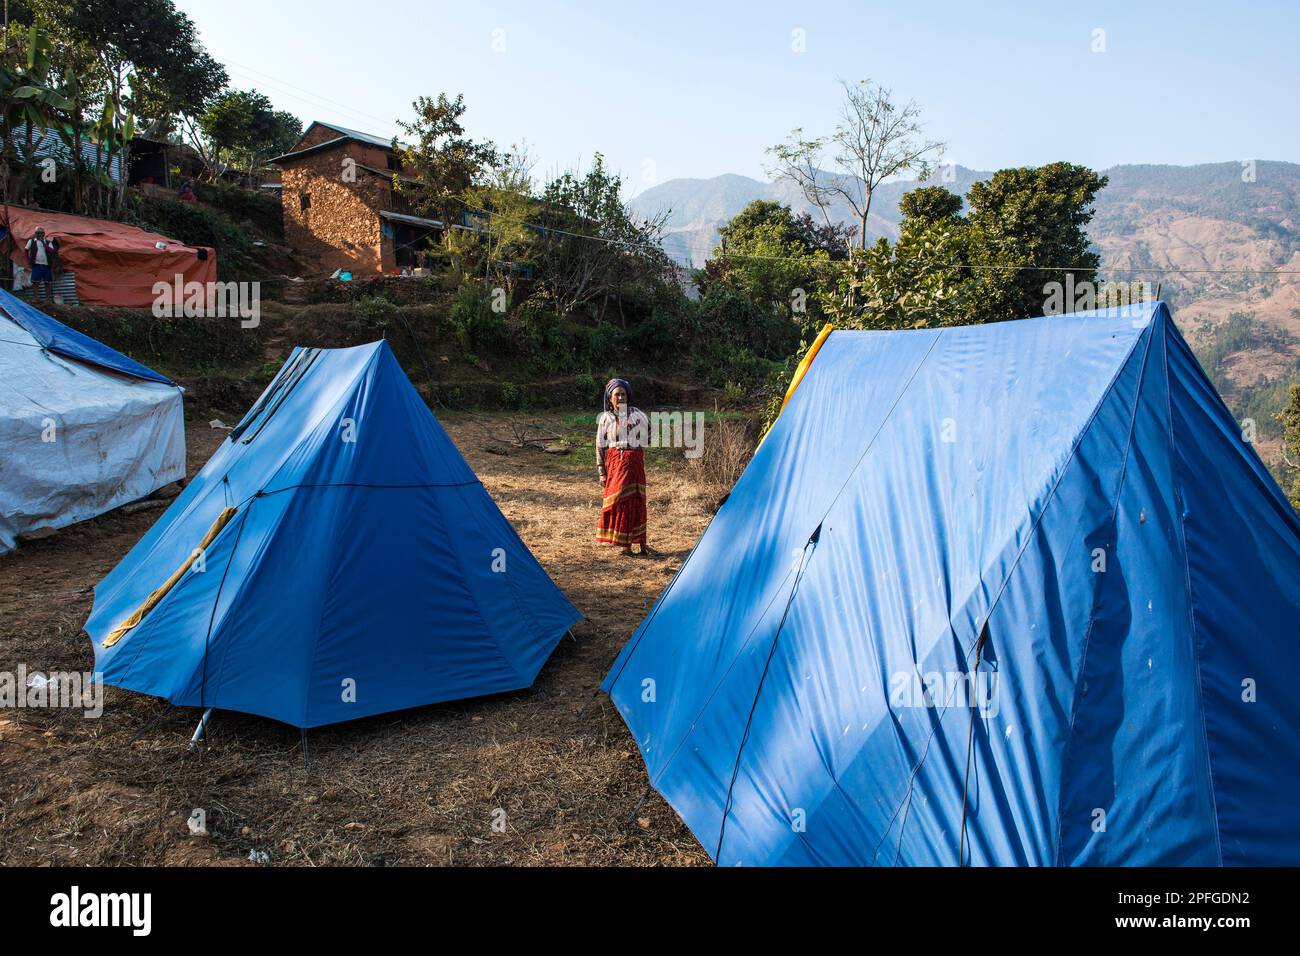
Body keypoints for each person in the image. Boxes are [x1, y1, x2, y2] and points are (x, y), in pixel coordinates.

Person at [596, 378, 650, 555]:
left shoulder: (636, 414)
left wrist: (639, 440)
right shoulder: (605, 418)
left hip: (634, 462)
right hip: (615, 463)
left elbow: (650, 432)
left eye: (623, 394)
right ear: (609, 398)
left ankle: (642, 543)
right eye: (617, 395)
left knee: (637, 501)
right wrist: (601, 472)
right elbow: (600, 446)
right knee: (621, 502)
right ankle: (625, 546)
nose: (620, 398)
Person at [24, 228, 59, 305]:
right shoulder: (32, 241)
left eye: (41, 233)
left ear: (44, 234)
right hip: (36, 264)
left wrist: (44, 244)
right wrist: (28, 260)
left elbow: (51, 251)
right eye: (38, 233)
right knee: (35, 282)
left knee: (47, 282)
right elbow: (26, 250)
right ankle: (36, 298)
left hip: (46, 265)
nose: (40, 235)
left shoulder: (47, 242)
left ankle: (48, 299)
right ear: (35, 234)